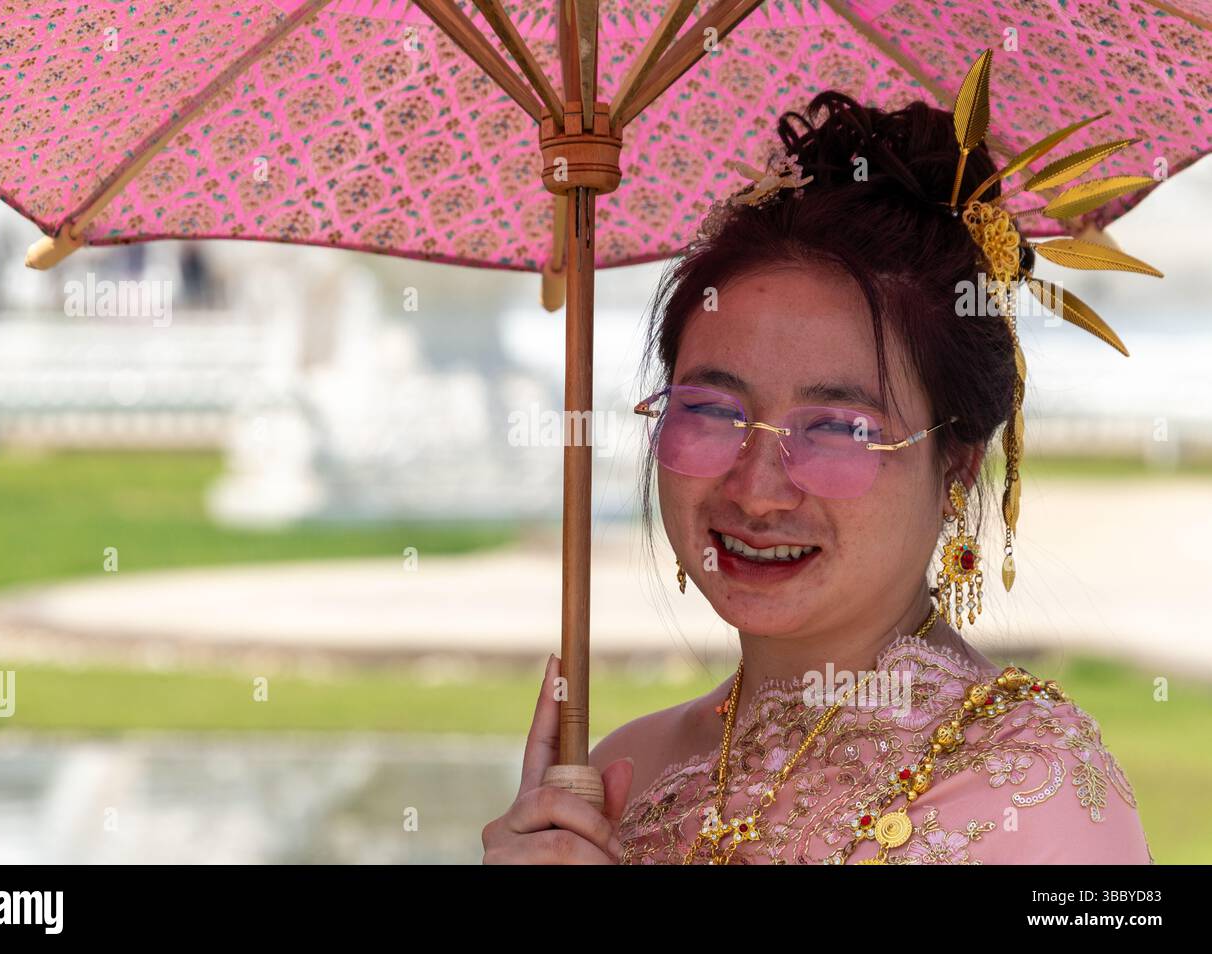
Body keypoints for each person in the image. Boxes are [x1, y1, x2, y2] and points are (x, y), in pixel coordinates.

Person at [482, 81, 1155, 865]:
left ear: (957, 467)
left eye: (837, 427)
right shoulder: (619, 778)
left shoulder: (1031, 791)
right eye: (711, 410)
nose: (757, 488)